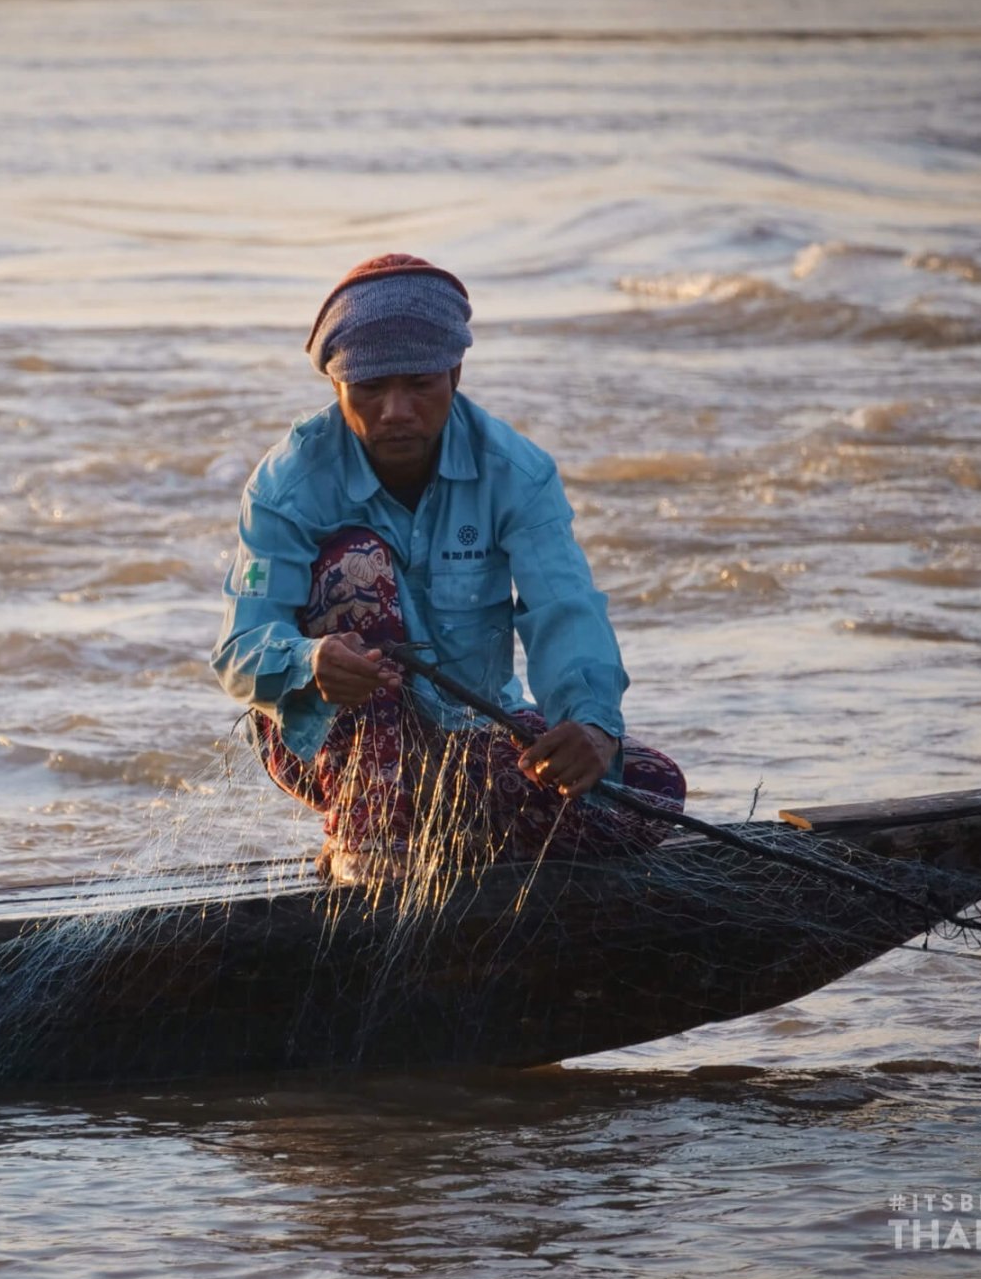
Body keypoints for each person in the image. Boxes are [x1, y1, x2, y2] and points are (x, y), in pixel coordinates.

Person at [212, 254, 685, 883]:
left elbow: (563, 608)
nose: (396, 411)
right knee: (358, 564)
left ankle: (447, 828)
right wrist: (309, 662)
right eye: (370, 389)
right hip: (322, 739)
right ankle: (372, 836)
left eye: (418, 385)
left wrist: (591, 725)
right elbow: (239, 649)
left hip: (466, 737)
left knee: (652, 789)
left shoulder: (517, 472)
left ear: (455, 374)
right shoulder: (284, 484)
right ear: (336, 386)